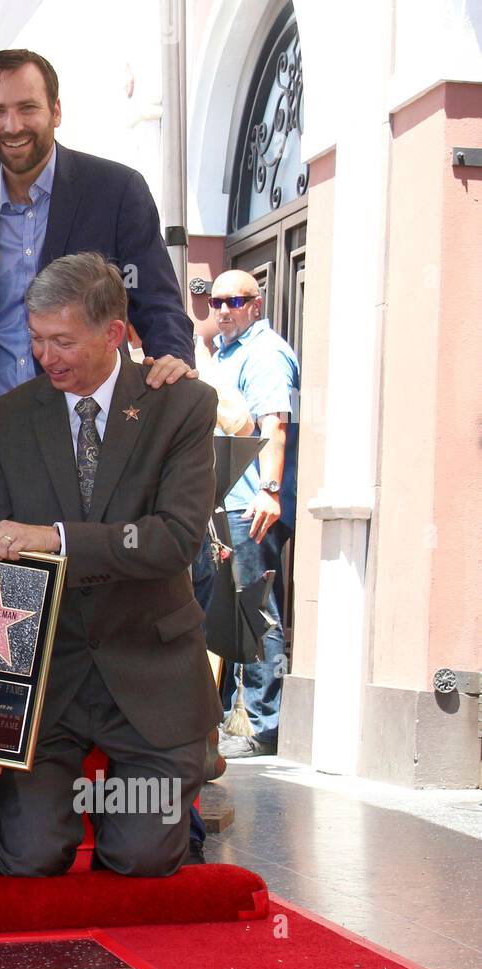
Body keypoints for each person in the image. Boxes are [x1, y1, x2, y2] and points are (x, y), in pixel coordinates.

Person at [0, 252, 220, 877]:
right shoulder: (3, 421)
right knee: (29, 860)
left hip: (152, 673)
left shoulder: (181, 405)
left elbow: (174, 540)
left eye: (62, 341)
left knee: (140, 858)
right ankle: (36, 817)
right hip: (48, 681)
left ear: (113, 333)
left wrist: (56, 539)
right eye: (35, 339)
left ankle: (134, 816)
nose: (45, 356)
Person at [0, 48, 196, 502]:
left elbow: (156, 299)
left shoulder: (117, 190)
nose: (12, 126)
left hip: (88, 433)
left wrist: (173, 359)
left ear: (55, 110)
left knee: (85, 564)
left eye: (27, 107)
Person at [205, 269, 299, 759]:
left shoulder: (264, 352)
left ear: (256, 304)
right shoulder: (225, 353)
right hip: (226, 500)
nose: (223, 309)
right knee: (230, 612)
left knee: (256, 609)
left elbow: (273, 426)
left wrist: (269, 489)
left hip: (250, 503)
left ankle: (263, 727)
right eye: (215, 301)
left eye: (235, 301)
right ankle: (231, 719)